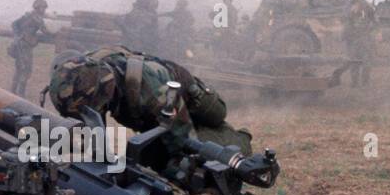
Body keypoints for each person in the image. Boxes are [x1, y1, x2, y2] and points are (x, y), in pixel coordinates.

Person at [46, 45, 252, 154]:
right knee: (150, 152)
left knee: (186, 150)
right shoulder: (82, 76)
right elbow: (90, 138)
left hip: (183, 91)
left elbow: (183, 139)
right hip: (140, 102)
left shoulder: (151, 92)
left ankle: (241, 141)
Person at [9, 0, 51, 97]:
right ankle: (21, 94)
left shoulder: (28, 15)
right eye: (42, 8)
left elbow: (14, 24)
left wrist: (17, 36)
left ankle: (12, 91)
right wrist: (56, 34)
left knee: (19, 68)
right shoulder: (37, 19)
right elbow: (46, 31)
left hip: (19, 44)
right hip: (25, 46)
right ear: (37, 8)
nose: (44, 10)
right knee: (26, 69)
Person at [342, 0, 377, 87]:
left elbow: (374, 19)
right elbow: (344, 17)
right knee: (354, 61)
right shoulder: (348, 4)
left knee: (367, 61)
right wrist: (352, 11)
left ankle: (365, 83)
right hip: (352, 37)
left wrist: (372, 29)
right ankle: (355, 83)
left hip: (364, 36)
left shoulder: (366, 5)